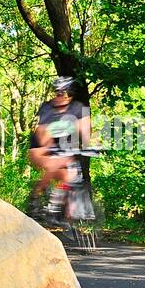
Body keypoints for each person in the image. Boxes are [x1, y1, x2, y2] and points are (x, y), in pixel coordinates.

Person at [27, 76, 91, 216]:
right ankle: (35, 197)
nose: (59, 95)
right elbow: (42, 134)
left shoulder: (78, 108)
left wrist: (87, 144)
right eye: (56, 92)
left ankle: (58, 210)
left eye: (62, 92)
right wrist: (51, 147)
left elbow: (86, 129)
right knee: (55, 163)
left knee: (71, 175)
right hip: (40, 149)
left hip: (63, 150)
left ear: (70, 94)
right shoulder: (47, 108)